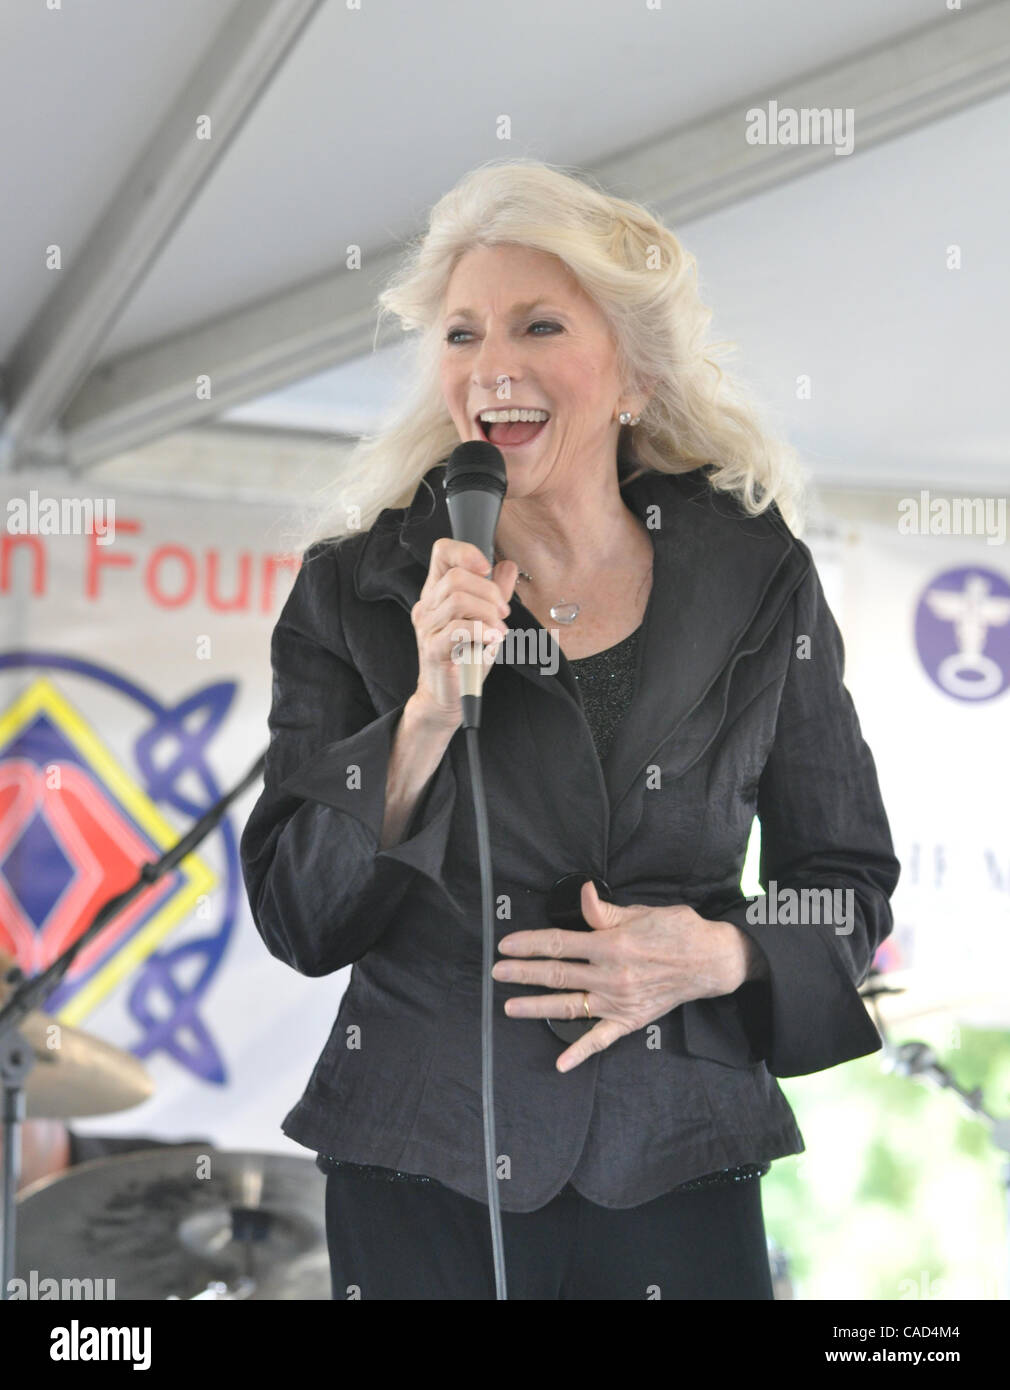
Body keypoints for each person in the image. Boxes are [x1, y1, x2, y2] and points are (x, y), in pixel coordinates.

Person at [240, 159, 900, 1300]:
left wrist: (723, 953)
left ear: (633, 373)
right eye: (460, 335)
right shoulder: (356, 593)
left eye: (538, 324)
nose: (491, 366)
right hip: (420, 1160)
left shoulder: (759, 580)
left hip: (677, 1159)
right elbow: (300, 913)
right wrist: (425, 717)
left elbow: (841, 879)